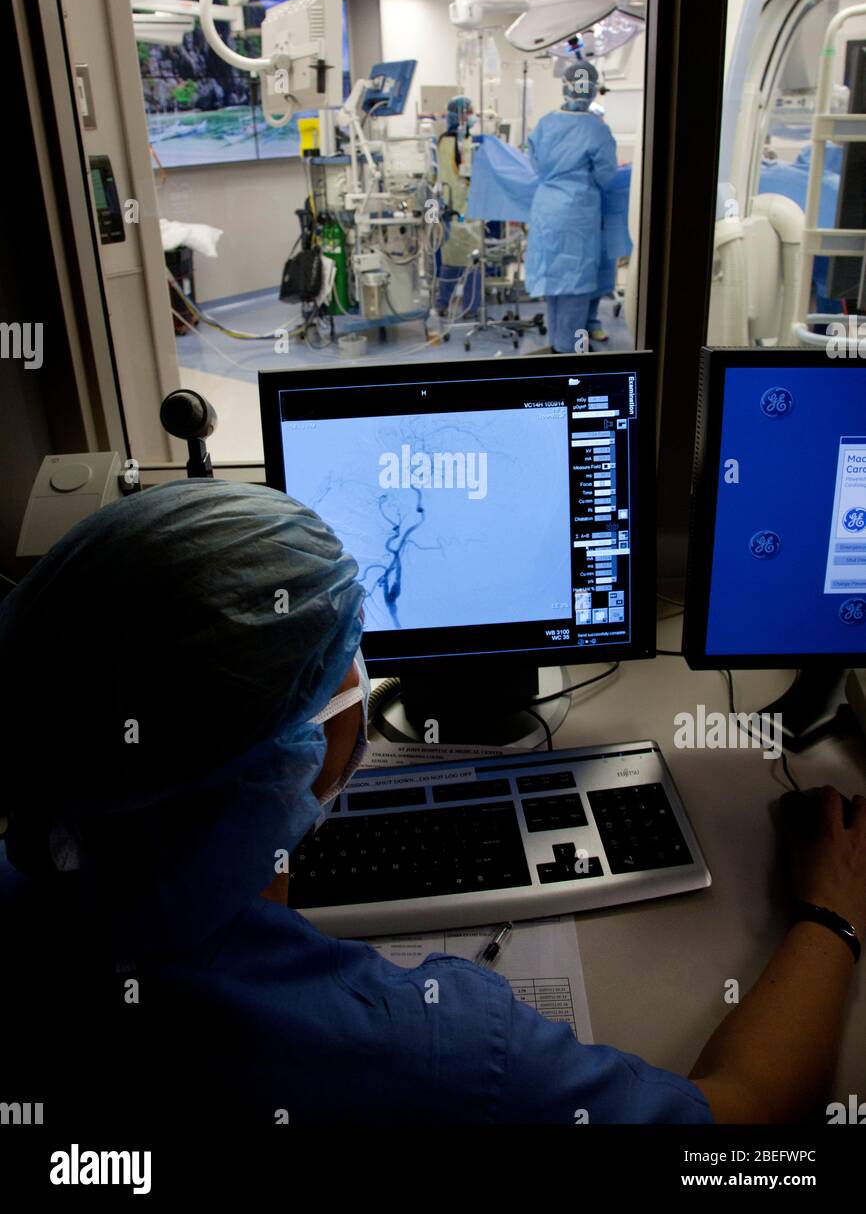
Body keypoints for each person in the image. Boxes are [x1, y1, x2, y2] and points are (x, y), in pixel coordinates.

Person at [0, 480, 863, 1127]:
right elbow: (737, 1121)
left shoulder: (57, 834)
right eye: (339, 668)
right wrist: (832, 915)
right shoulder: (418, 1052)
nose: (359, 673)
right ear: (287, 762)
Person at [525, 58, 618, 352]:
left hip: (546, 210)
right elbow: (606, 176)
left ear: (564, 87)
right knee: (575, 286)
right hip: (578, 211)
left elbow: (537, 166)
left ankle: (556, 344)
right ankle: (570, 353)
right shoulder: (596, 129)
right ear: (593, 90)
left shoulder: (545, 124)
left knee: (554, 281)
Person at [436, 96, 483, 319]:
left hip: (450, 209)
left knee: (451, 261)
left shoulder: (442, 140)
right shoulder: (464, 143)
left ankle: (442, 304)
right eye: (469, 112)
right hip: (464, 211)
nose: (472, 116)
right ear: (461, 115)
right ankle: (471, 309)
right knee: (473, 261)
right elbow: (467, 174)